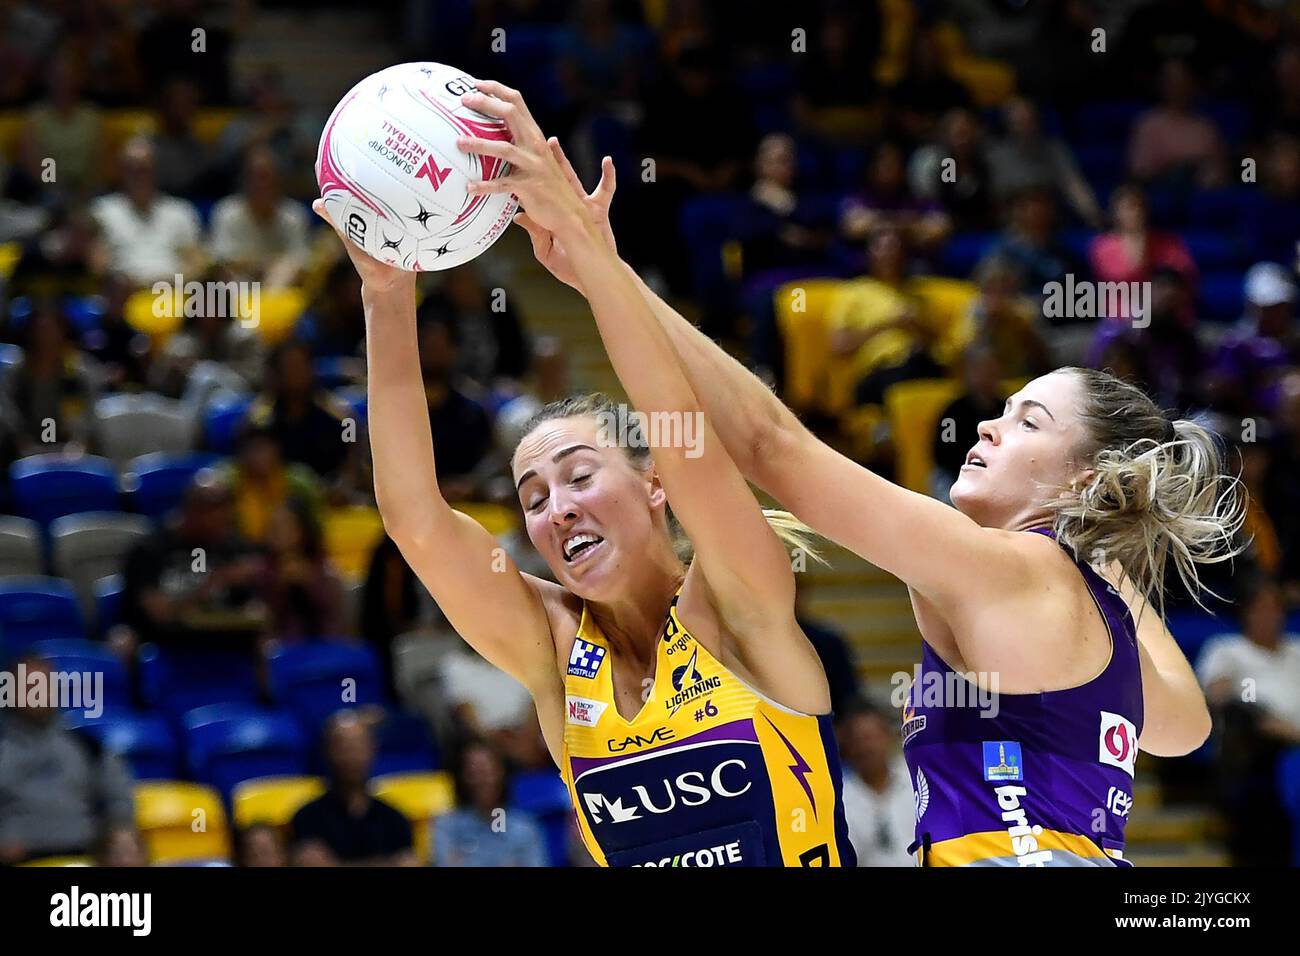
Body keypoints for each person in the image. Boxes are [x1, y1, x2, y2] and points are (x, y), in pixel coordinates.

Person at [516, 118, 1244, 867]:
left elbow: (772, 447)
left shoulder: (1004, 566)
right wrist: (1105, 540)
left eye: (1028, 420)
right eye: (1003, 409)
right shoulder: (1095, 605)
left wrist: (606, 270)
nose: (989, 426)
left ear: (1084, 478)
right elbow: (1184, 728)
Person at [317, 81, 856, 868]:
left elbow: (678, 419)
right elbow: (415, 521)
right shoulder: (557, 655)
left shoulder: (737, 600)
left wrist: (592, 256)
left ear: (654, 483)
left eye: (577, 477)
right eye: (533, 499)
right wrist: (388, 295)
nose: (556, 510)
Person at [0, 654, 136, 864]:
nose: (38, 693)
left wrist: (117, 831)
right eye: (29, 686)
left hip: (86, 854)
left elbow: (119, 797)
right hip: (19, 858)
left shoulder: (88, 746)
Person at [289, 711, 417, 866]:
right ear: (326, 752)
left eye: (358, 745)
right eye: (342, 746)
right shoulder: (307, 818)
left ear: (373, 750)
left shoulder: (394, 819)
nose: (351, 755)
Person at [432, 740, 547, 867]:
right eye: (475, 773)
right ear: (463, 777)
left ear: (501, 773)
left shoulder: (525, 829)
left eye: (488, 771)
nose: (483, 780)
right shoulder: (446, 827)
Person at [837, 700, 916, 867]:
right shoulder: (840, 799)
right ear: (846, 746)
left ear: (888, 736)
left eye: (871, 737)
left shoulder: (915, 777)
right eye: (858, 740)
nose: (866, 747)